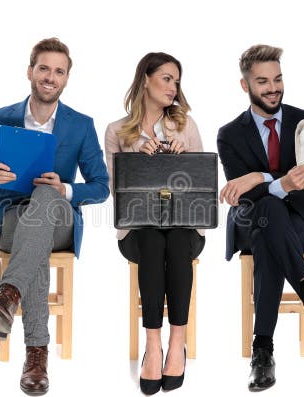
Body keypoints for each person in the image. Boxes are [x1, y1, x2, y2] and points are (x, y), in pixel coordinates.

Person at [0, 37, 109, 396]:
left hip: (60, 216)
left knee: (47, 194)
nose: (51, 77)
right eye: (44, 68)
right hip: (11, 218)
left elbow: (101, 186)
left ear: (66, 79)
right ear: (30, 71)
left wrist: (66, 189)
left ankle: (7, 297)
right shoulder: (2, 118)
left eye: (59, 71)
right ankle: (37, 353)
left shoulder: (80, 125)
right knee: (35, 239)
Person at [216, 44, 304, 392]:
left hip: (299, 221)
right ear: (245, 86)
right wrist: (272, 181)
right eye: (262, 81)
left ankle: (262, 352)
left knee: (270, 225)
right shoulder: (229, 134)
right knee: (267, 212)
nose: (273, 87)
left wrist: (258, 179)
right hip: (252, 222)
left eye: (277, 79)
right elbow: (242, 195)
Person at [103, 52, 204, 395]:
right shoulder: (116, 131)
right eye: (166, 78)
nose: (173, 87)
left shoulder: (186, 126)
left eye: (177, 80)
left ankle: (177, 344)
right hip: (137, 229)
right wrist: (136, 163)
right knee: (151, 238)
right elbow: (117, 193)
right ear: (145, 79)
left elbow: (203, 188)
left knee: (174, 238)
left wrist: (185, 158)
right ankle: (154, 345)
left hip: (184, 227)